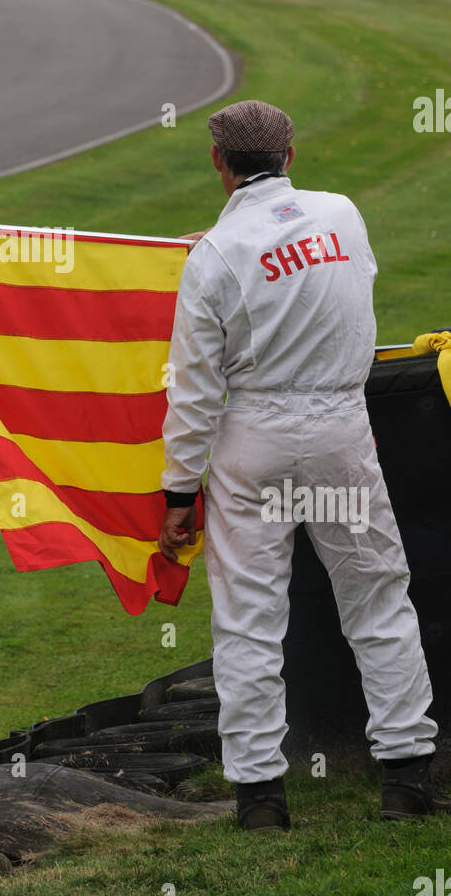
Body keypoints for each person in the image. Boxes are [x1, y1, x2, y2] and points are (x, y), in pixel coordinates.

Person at [157, 99, 447, 830]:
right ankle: (405, 779)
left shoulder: (213, 258)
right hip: (341, 433)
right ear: (290, 149)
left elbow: (192, 391)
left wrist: (176, 491)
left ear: (218, 165)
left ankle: (259, 798)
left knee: (248, 620)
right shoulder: (341, 213)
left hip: (251, 439)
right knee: (377, 602)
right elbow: (323, 275)